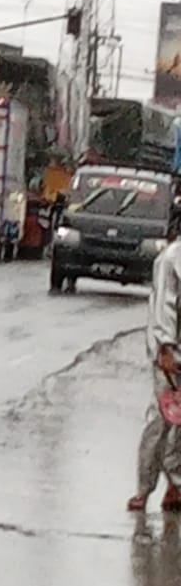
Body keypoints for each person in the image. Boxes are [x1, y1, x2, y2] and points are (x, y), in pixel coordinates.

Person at [128, 209, 181, 512]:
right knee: (162, 422)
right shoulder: (171, 259)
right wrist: (165, 347)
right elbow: (165, 304)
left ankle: (175, 485)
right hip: (170, 356)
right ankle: (144, 489)